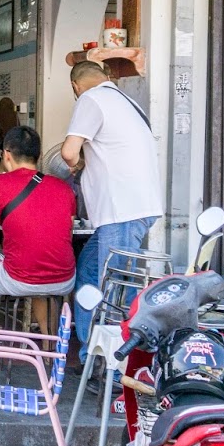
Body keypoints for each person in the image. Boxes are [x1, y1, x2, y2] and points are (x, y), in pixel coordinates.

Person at [61, 60, 164, 343]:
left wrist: (78, 162)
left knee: (115, 290)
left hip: (121, 212)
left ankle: (115, 368)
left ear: (75, 86)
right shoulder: (128, 102)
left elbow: (69, 153)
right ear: (105, 76)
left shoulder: (90, 98)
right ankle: (89, 348)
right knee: (90, 270)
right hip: (136, 209)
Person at [0, 125, 77, 339]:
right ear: (38, 156)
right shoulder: (63, 187)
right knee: (41, 288)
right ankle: (52, 351)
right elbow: (66, 227)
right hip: (64, 278)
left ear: (6, 154)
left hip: (19, 276)